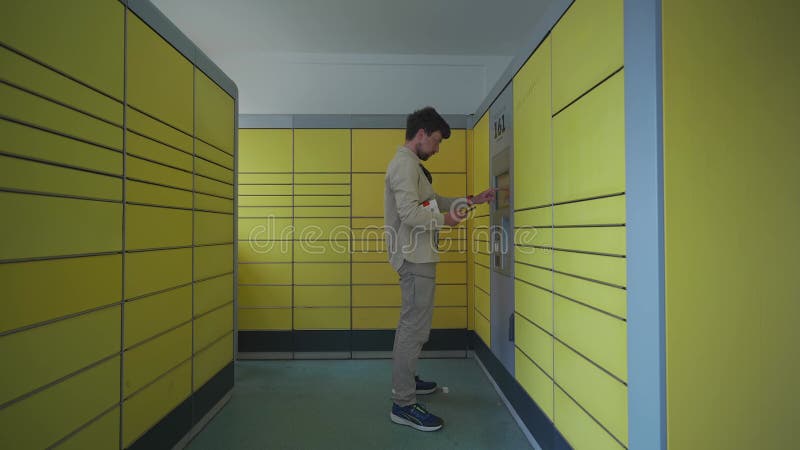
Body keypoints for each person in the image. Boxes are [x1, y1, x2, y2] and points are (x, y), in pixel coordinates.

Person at [384, 106, 496, 431]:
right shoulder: (404, 166)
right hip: (413, 258)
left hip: (418, 256)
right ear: (421, 134)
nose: (436, 148)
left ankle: (409, 382)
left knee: (414, 326)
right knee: (413, 328)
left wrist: (472, 200)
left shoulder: (411, 166)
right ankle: (403, 404)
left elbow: (432, 202)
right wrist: (446, 220)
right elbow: (409, 213)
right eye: (435, 141)